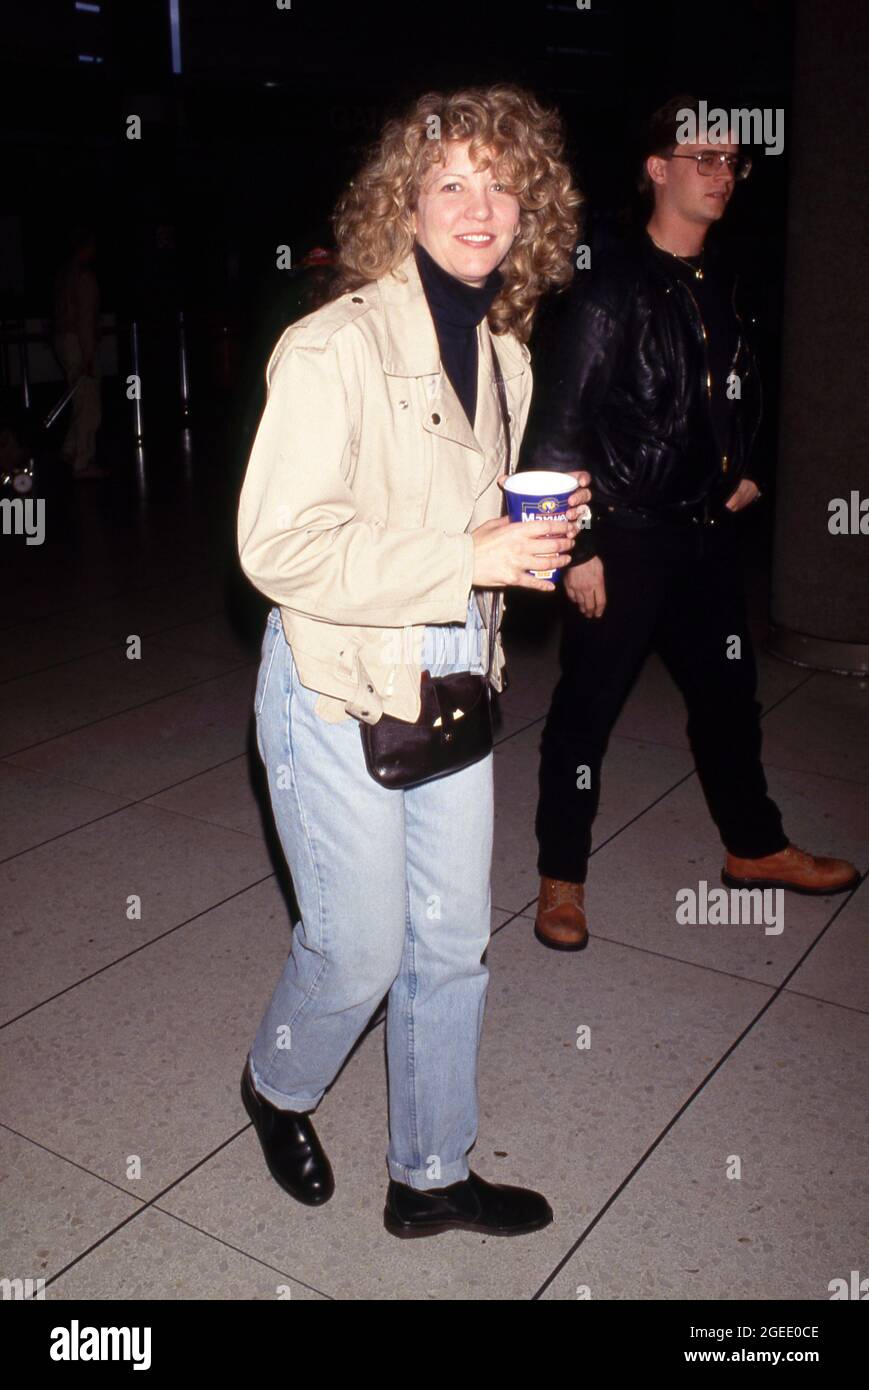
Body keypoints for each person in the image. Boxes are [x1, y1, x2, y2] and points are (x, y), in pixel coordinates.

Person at [236, 84, 590, 1237]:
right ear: (406, 202)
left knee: (450, 938)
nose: (479, 208)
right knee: (356, 948)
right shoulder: (331, 343)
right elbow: (277, 546)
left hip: (449, 670)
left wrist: (529, 536)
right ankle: (278, 1082)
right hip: (340, 672)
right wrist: (468, 549)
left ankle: (428, 1171)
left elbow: (464, 519)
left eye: (502, 184)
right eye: (451, 183)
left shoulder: (504, 354)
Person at [525, 95, 859, 951]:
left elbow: (737, 389)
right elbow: (557, 427)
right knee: (584, 714)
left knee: (728, 703)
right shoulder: (610, 288)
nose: (719, 174)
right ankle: (559, 880)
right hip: (625, 538)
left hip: (704, 536)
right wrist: (580, 548)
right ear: (656, 169)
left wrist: (746, 467)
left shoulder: (726, 282)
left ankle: (753, 848)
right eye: (701, 156)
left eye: (730, 161)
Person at [52, 227, 108, 479]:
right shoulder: (83, 278)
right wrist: (88, 355)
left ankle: (71, 448)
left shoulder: (64, 275)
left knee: (80, 399)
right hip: (77, 343)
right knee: (89, 404)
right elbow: (85, 319)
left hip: (63, 342)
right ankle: (83, 462)